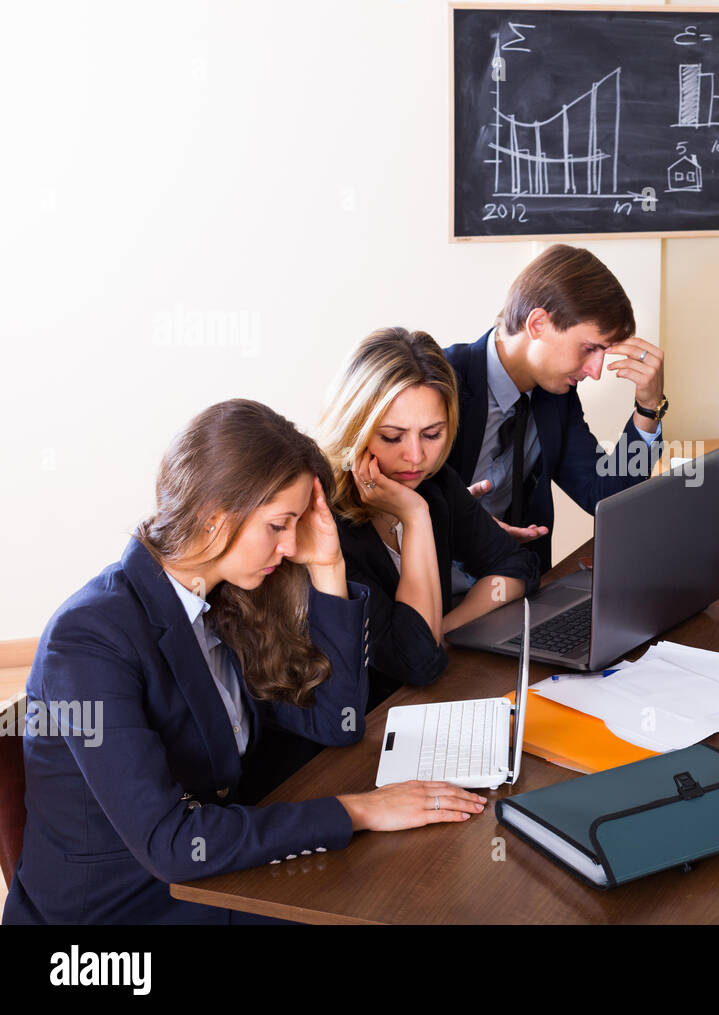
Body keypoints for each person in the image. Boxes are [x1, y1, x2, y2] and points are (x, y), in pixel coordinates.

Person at [3, 400, 487, 925]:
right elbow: (169, 843)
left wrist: (328, 567)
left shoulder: (229, 597)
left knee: (423, 880)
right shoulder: (87, 638)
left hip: (215, 869)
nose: (291, 544)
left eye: (299, 523)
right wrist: (362, 809)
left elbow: (336, 724)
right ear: (215, 517)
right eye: (280, 525)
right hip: (126, 908)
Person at [319, 328, 540, 712]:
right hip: (357, 728)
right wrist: (415, 517)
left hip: (422, 703)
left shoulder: (436, 485)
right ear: (355, 431)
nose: (416, 457)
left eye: (432, 434)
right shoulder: (325, 525)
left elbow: (517, 566)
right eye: (392, 437)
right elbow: (415, 662)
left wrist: (445, 629)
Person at [445, 243, 666, 574]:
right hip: (437, 594)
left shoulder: (556, 396)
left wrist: (648, 409)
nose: (595, 371)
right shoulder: (442, 381)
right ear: (537, 324)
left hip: (521, 594)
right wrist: (460, 522)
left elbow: (605, 497)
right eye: (589, 348)